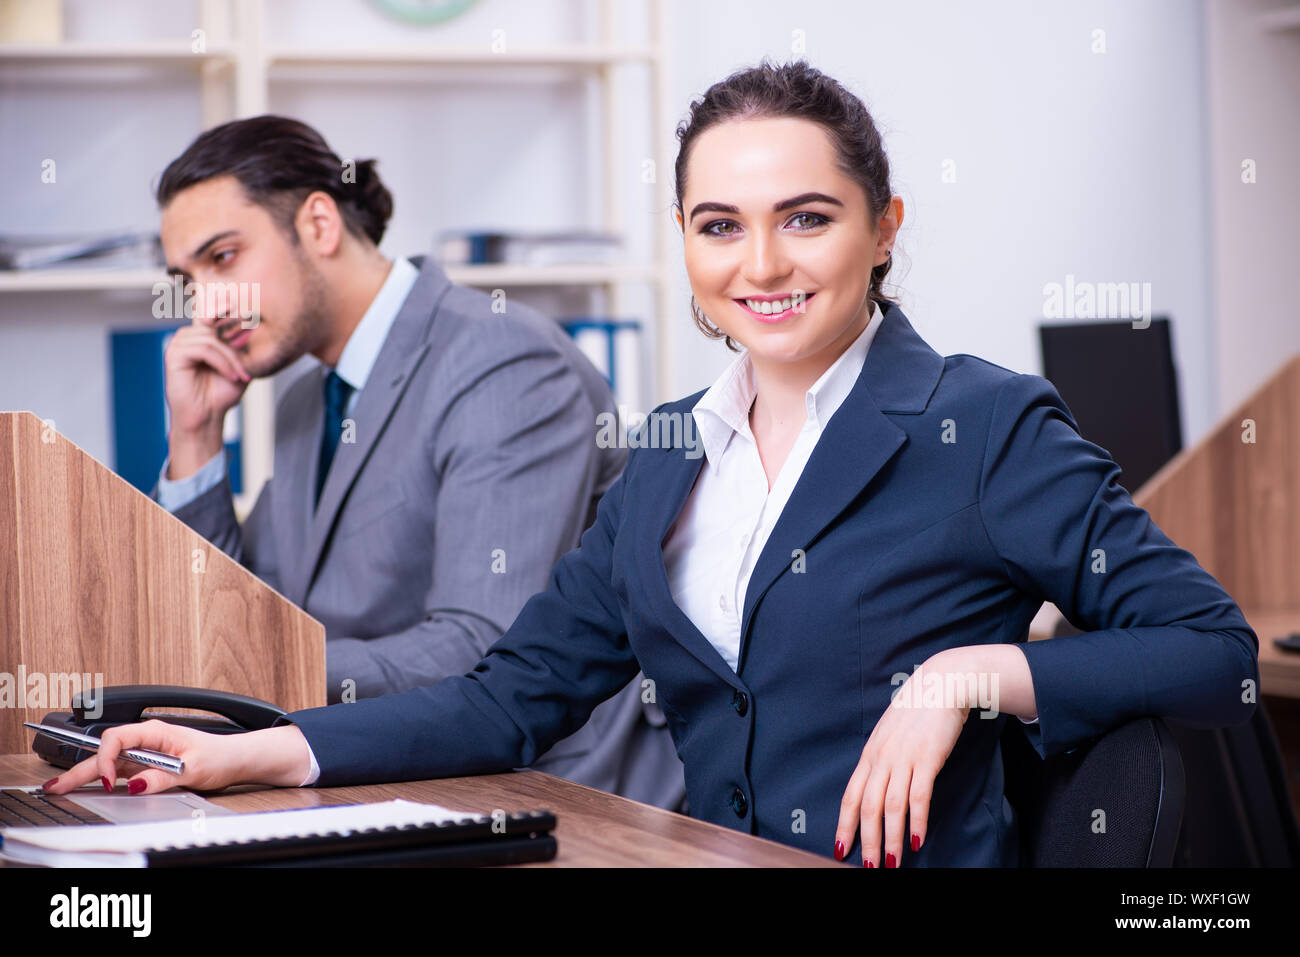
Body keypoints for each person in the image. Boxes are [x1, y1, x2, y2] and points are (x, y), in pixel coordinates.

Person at [47, 61, 1258, 867]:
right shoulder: (674, 451)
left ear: (884, 227)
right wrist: (247, 754)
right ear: (684, 242)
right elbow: (508, 697)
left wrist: (968, 675)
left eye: (809, 217)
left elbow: (1215, 656)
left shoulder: (979, 424)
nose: (761, 264)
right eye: (719, 226)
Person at [137, 115, 685, 811]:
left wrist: (223, 679)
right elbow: (250, 618)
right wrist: (196, 436)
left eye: (222, 259)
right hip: (374, 771)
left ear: (318, 223)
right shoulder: (307, 398)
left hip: (549, 797)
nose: (206, 307)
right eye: (187, 279)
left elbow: (481, 646)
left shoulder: (502, 360)